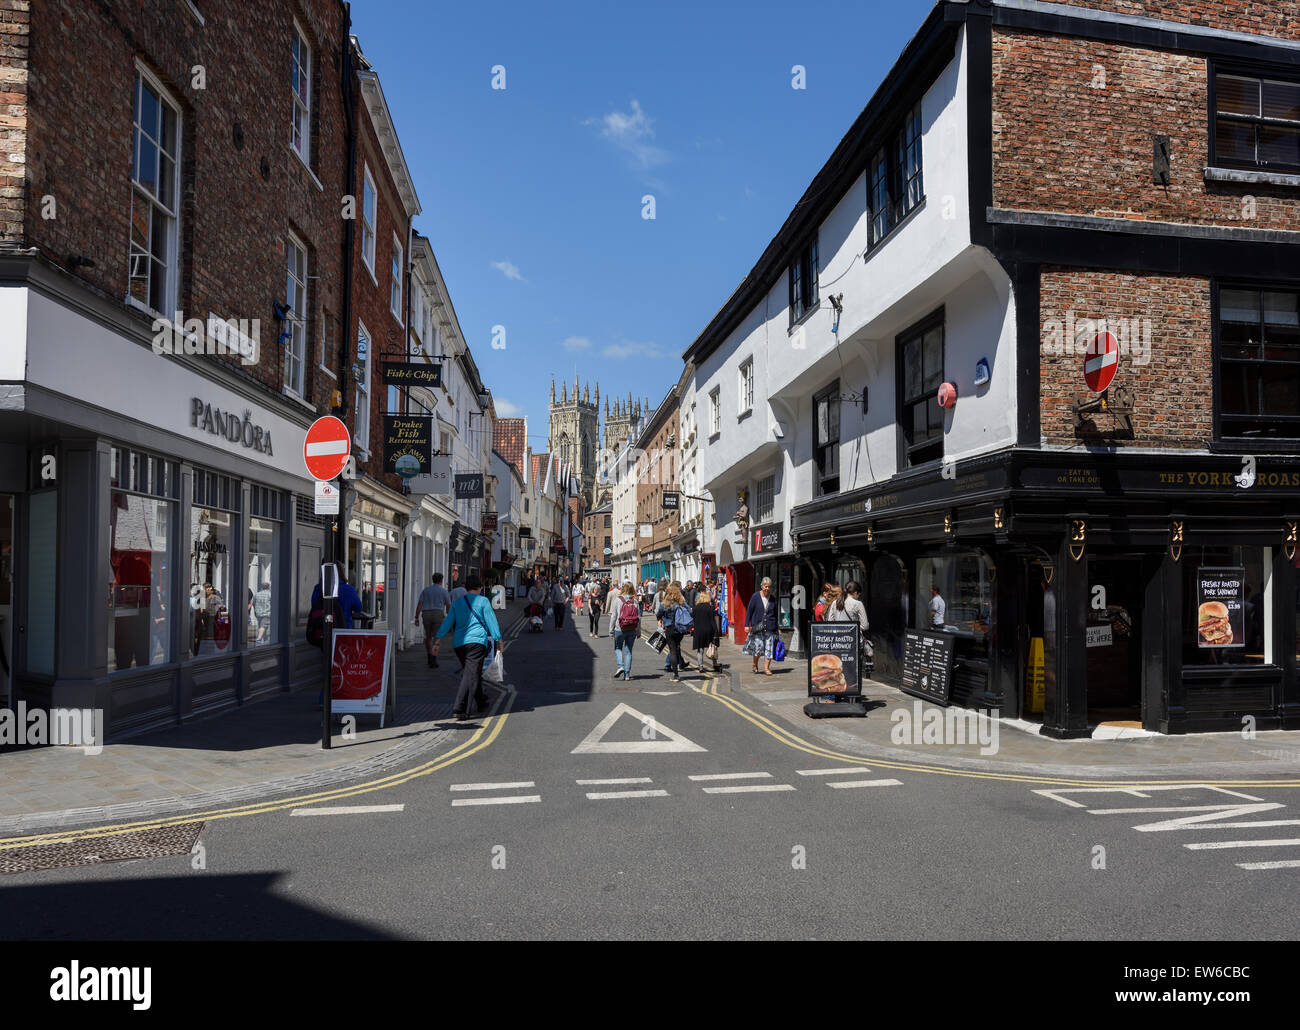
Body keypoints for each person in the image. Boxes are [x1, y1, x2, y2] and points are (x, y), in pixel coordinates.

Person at [433, 576, 502, 721]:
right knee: (470, 674)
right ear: (480, 587)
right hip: (477, 643)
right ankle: (459, 707)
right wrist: (498, 640)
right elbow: (491, 621)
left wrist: (437, 641)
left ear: (466, 588)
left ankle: (481, 701)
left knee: (472, 673)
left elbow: (447, 622)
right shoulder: (483, 601)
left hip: (459, 644)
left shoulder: (457, 603)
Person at [414, 572, 452, 668]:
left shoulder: (426, 590)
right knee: (437, 637)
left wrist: (416, 617)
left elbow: (420, 604)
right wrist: (449, 616)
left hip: (426, 613)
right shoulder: (444, 591)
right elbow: (448, 606)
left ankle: (429, 656)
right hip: (438, 614)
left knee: (428, 636)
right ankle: (434, 659)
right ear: (441, 580)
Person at [744, 576, 778, 676]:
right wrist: (747, 625)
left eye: (769, 587)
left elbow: (775, 614)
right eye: (765, 586)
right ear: (762, 586)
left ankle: (766, 668)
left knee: (769, 649)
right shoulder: (755, 596)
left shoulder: (772, 599)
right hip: (757, 627)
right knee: (758, 649)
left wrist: (777, 627)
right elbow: (749, 611)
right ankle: (754, 664)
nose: (767, 588)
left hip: (770, 627)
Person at [656, 583, 689, 683]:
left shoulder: (664, 603)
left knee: (673, 650)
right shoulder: (681, 602)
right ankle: (680, 665)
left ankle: (675, 675)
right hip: (680, 629)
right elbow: (690, 612)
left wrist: (660, 620)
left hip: (669, 629)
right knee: (677, 646)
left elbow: (658, 614)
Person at [610, 581, 641, 680]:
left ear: (623, 589)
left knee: (618, 648)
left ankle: (620, 666)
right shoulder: (635, 601)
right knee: (628, 651)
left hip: (620, 628)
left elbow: (614, 616)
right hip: (632, 628)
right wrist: (638, 631)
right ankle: (627, 675)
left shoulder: (618, 600)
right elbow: (639, 618)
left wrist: (611, 630)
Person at [691, 589, 720, 673]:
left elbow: (692, 617)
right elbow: (712, 621)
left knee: (700, 650)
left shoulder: (695, 608)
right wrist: (716, 632)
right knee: (712, 648)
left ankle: (700, 667)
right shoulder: (710, 608)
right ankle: (715, 664)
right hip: (708, 630)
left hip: (698, 631)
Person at [253, 579, 272, 644]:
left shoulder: (257, 594)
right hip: (267, 613)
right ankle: (259, 638)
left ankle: (264, 639)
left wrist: (255, 611)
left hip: (258, 613)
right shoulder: (270, 594)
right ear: (268, 587)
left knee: (260, 625)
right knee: (263, 626)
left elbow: (253, 603)